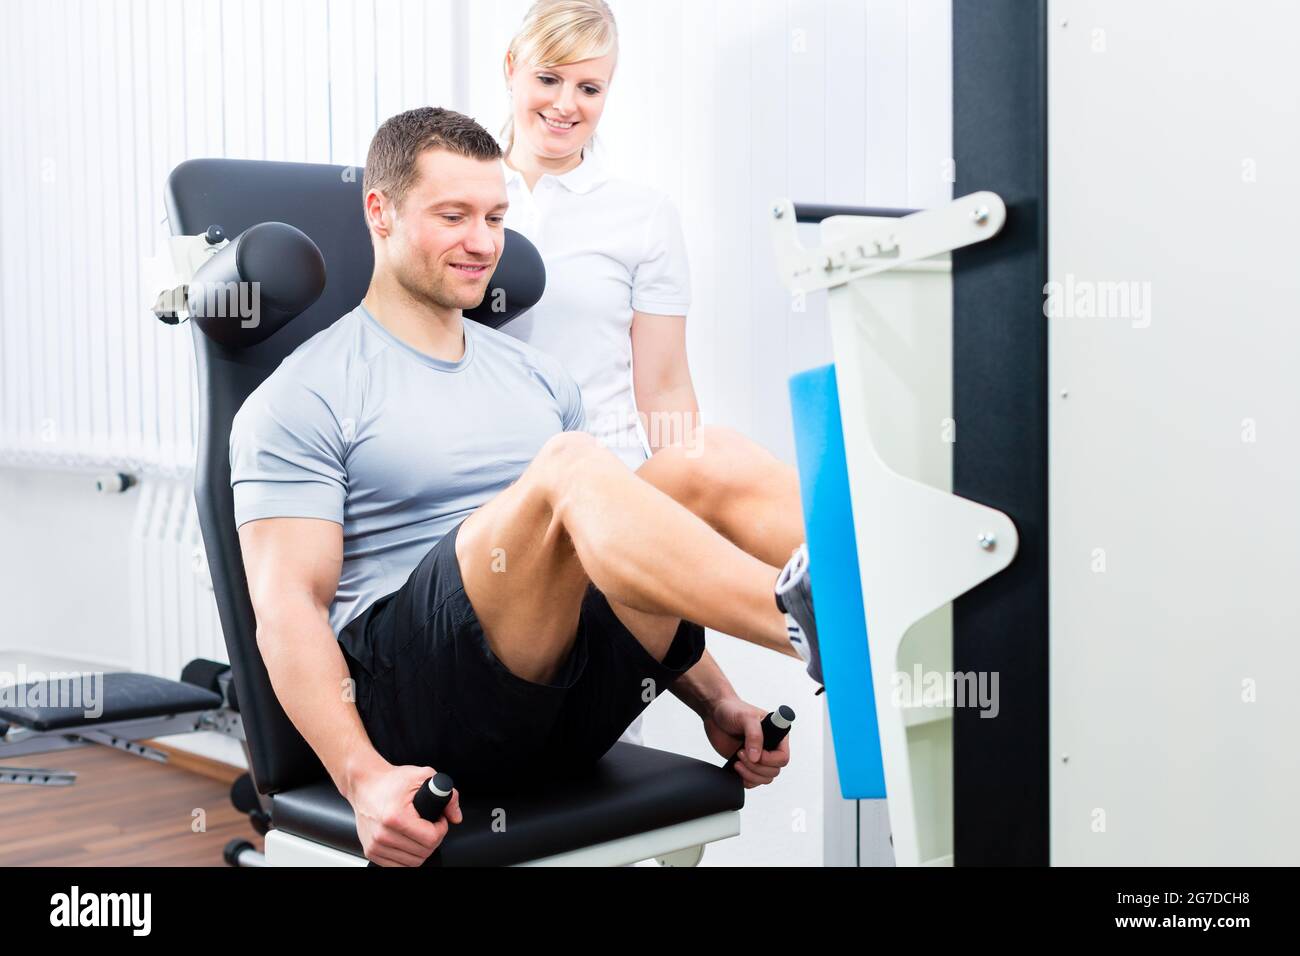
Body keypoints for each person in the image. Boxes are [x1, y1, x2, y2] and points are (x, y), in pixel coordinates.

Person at [230, 107, 822, 867]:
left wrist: (720, 701)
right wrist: (364, 779)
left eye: (496, 216)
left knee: (697, 456)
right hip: (421, 706)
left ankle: (877, 598)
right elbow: (288, 612)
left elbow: (629, 551)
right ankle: (824, 629)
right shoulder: (304, 393)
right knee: (573, 468)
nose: (483, 243)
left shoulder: (538, 376)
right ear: (379, 212)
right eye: (454, 216)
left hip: (560, 706)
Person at [495, 1, 700, 748]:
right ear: (511, 69)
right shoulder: (459, 201)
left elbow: (667, 385)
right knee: (501, 716)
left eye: (591, 88)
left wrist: (677, 501)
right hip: (488, 497)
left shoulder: (641, 216)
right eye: (549, 78)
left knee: (605, 740)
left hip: (609, 498)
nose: (566, 105)